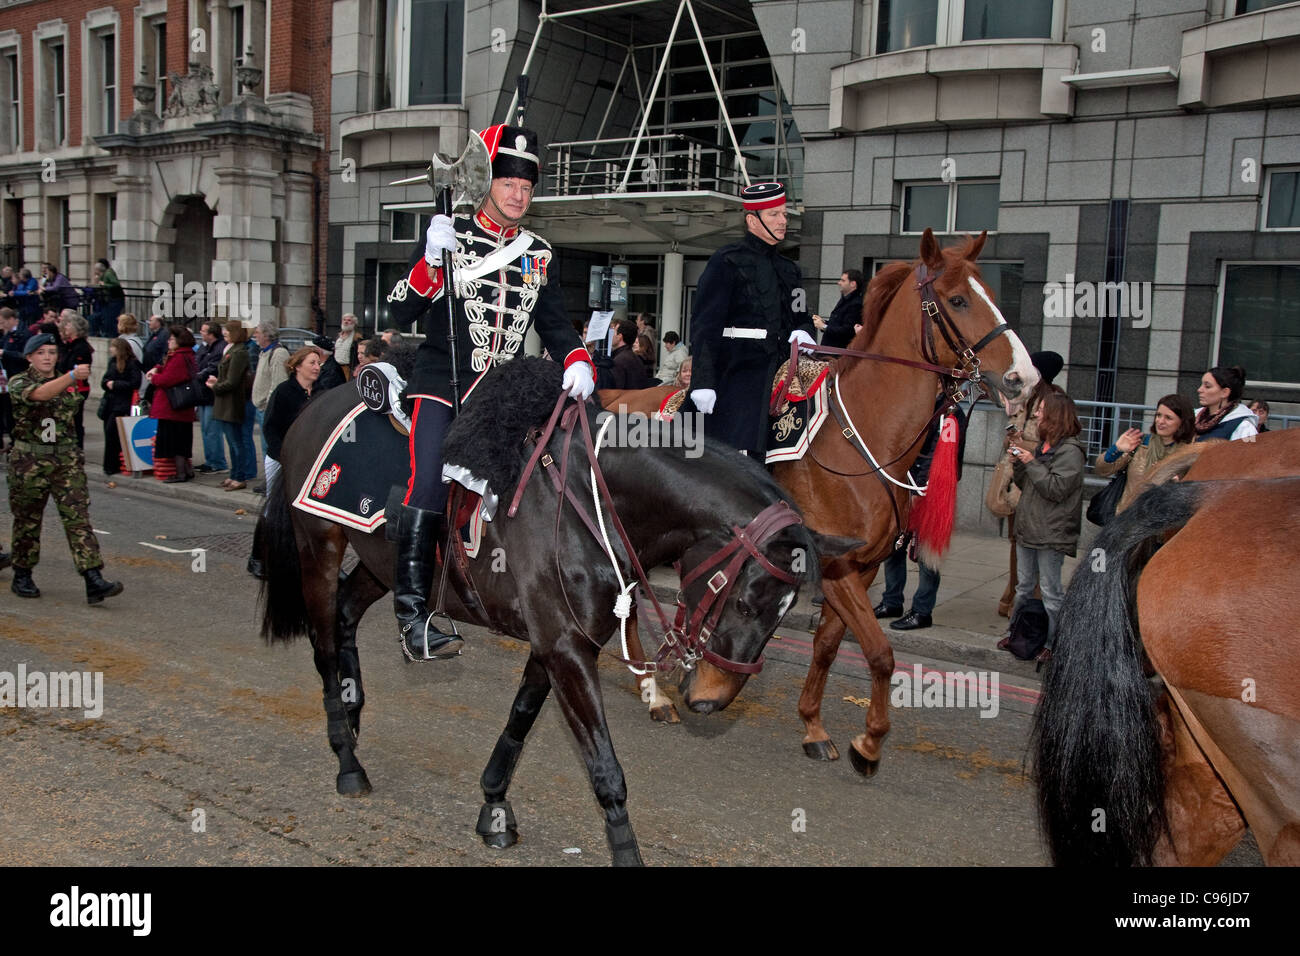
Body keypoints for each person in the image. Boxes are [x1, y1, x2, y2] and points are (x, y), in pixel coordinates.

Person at [385, 121, 594, 662]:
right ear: (489, 184)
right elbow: (400, 310)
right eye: (509, 185)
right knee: (429, 478)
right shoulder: (449, 231)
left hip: (502, 388)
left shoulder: (539, 252)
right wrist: (431, 260)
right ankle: (412, 616)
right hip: (441, 382)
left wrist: (577, 359)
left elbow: (554, 324)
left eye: (527, 188)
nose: (519, 195)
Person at [689, 182, 815, 457]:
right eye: (774, 214)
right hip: (738, 369)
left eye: (784, 214)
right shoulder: (726, 261)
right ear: (752, 219)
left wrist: (804, 331)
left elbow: (801, 313)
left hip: (783, 366)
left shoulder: (790, 270)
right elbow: (705, 326)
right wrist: (703, 381)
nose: (783, 221)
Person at [5, 333, 124, 603]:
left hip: (65, 461)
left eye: (52, 352)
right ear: (29, 357)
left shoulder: (67, 383)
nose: (47, 357)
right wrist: (72, 376)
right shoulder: (20, 381)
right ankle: (22, 573)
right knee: (28, 520)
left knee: (78, 519)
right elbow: (40, 394)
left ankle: (93, 578)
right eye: (41, 353)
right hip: (30, 462)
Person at [875, 397, 969, 631]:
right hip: (908, 484)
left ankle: (922, 611)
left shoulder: (950, 412)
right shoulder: (921, 402)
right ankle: (892, 600)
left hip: (930, 490)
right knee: (895, 546)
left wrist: (919, 487)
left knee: (928, 555)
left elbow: (940, 453)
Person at [1005, 388, 1084, 663]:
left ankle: (1054, 644)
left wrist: (1031, 462)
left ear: (1054, 416)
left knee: (1051, 593)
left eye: (1041, 410)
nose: (1036, 414)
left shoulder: (1071, 452)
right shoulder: (1043, 448)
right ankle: (1015, 633)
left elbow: (1056, 488)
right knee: (1023, 587)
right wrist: (1019, 463)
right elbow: (1027, 484)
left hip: (1051, 533)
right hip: (1030, 529)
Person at [995, 350, 1062, 617]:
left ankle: (1027, 598)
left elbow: (1055, 445)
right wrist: (1011, 439)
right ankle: (1014, 592)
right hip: (1016, 475)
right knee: (1016, 539)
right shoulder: (1026, 399)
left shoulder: (1055, 403)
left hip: (1037, 480)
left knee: (1029, 541)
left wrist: (1022, 444)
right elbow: (1011, 435)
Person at [1094, 394, 1196, 514]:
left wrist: (1175, 485)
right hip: (1126, 519)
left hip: (1162, 523)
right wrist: (1116, 449)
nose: (1160, 421)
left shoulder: (1189, 454)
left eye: (1168, 418)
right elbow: (1101, 470)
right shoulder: (1140, 444)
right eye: (1158, 415)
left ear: (1182, 423)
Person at [143, 325, 198, 483]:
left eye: (172, 339)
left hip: (174, 408)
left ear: (179, 340)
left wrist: (153, 378)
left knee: (175, 442)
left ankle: (181, 473)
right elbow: (168, 370)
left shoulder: (180, 357)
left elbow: (168, 379)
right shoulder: (184, 355)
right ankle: (186, 471)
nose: (168, 341)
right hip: (179, 408)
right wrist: (157, 369)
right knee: (180, 440)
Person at [205, 320, 254, 491]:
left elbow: (233, 381)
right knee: (231, 441)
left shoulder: (239, 352)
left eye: (228, 331)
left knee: (236, 442)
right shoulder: (230, 349)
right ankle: (234, 474)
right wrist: (217, 381)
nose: (224, 333)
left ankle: (240, 477)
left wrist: (215, 386)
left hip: (232, 402)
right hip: (225, 401)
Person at [250, 321, 289, 487]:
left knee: (270, 448)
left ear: (266, 335)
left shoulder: (278, 353)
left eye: (258, 332)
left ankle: (273, 482)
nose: (255, 335)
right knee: (265, 447)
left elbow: (278, 383)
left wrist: (269, 406)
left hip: (268, 409)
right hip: (261, 407)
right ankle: (268, 480)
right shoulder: (263, 352)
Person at [100, 336, 142, 476]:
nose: (111, 349)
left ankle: (114, 465)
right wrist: (107, 384)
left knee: (113, 433)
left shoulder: (132, 363)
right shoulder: (112, 362)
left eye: (113, 347)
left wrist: (115, 384)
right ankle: (109, 465)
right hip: (110, 402)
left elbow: (135, 383)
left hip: (122, 403)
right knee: (108, 433)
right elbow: (104, 379)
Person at [194, 321, 229, 474]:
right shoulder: (203, 347)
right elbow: (197, 363)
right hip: (202, 394)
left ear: (211, 333)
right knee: (205, 429)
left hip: (212, 394)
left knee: (212, 429)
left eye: (203, 331)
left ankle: (217, 462)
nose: (201, 333)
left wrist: (200, 375)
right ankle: (210, 460)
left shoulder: (219, 348)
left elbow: (213, 367)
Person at [56, 310, 93, 448]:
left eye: (68, 325)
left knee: (76, 421)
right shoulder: (69, 345)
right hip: (66, 387)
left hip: (77, 388)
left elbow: (73, 368)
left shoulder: (81, 347)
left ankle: (78, 449)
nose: (65, 327)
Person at [1194, 365, 1257, 442]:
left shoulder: (1244, 426)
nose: (1199, 390)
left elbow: (1249, 452)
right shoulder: (1193, 417)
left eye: (1207, 386)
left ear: (1225, 392)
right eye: (1201, 384)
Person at [814, 269, 864, 349]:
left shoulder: (856, 304)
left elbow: (848, 331)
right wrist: (824, 322)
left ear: (853, 284)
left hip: (838, 353)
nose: (839, 283)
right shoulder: (845, 300)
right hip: (831, 350)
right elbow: (838, 323)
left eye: (843, 280)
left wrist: (824, 327)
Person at [0, 306, 29, 449]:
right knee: (7, 413)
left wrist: (4, 353)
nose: (1, 326)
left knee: (15, 414)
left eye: (3, 322)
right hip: (7, 380)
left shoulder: (23, 334)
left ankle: (16, 442)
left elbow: (24, 357)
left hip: (18, 378)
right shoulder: (7, 335)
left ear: (11, 320)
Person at [607, 320, 648, 390]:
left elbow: (616, 392)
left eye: (614, 332)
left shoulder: (619, 361)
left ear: (619, 337)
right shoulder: (636, 358)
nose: (611, 336)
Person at [91, 258, 125, 338]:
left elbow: (116, 284)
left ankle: (112, 335)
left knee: (111, 318)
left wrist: (104, 285)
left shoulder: (108, 273)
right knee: (106, 317)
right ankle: (108, 334)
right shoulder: (104, 274)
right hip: (111, 300)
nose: (95, 272)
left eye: (96, 270)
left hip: (115, 299)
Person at [334, 313, 362, 379]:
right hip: (335, 368)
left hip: (348, 369)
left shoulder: (357, 338)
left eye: (349, 320)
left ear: (354, 323)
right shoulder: (338, 336)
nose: (346, 322)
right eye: (344, 320)